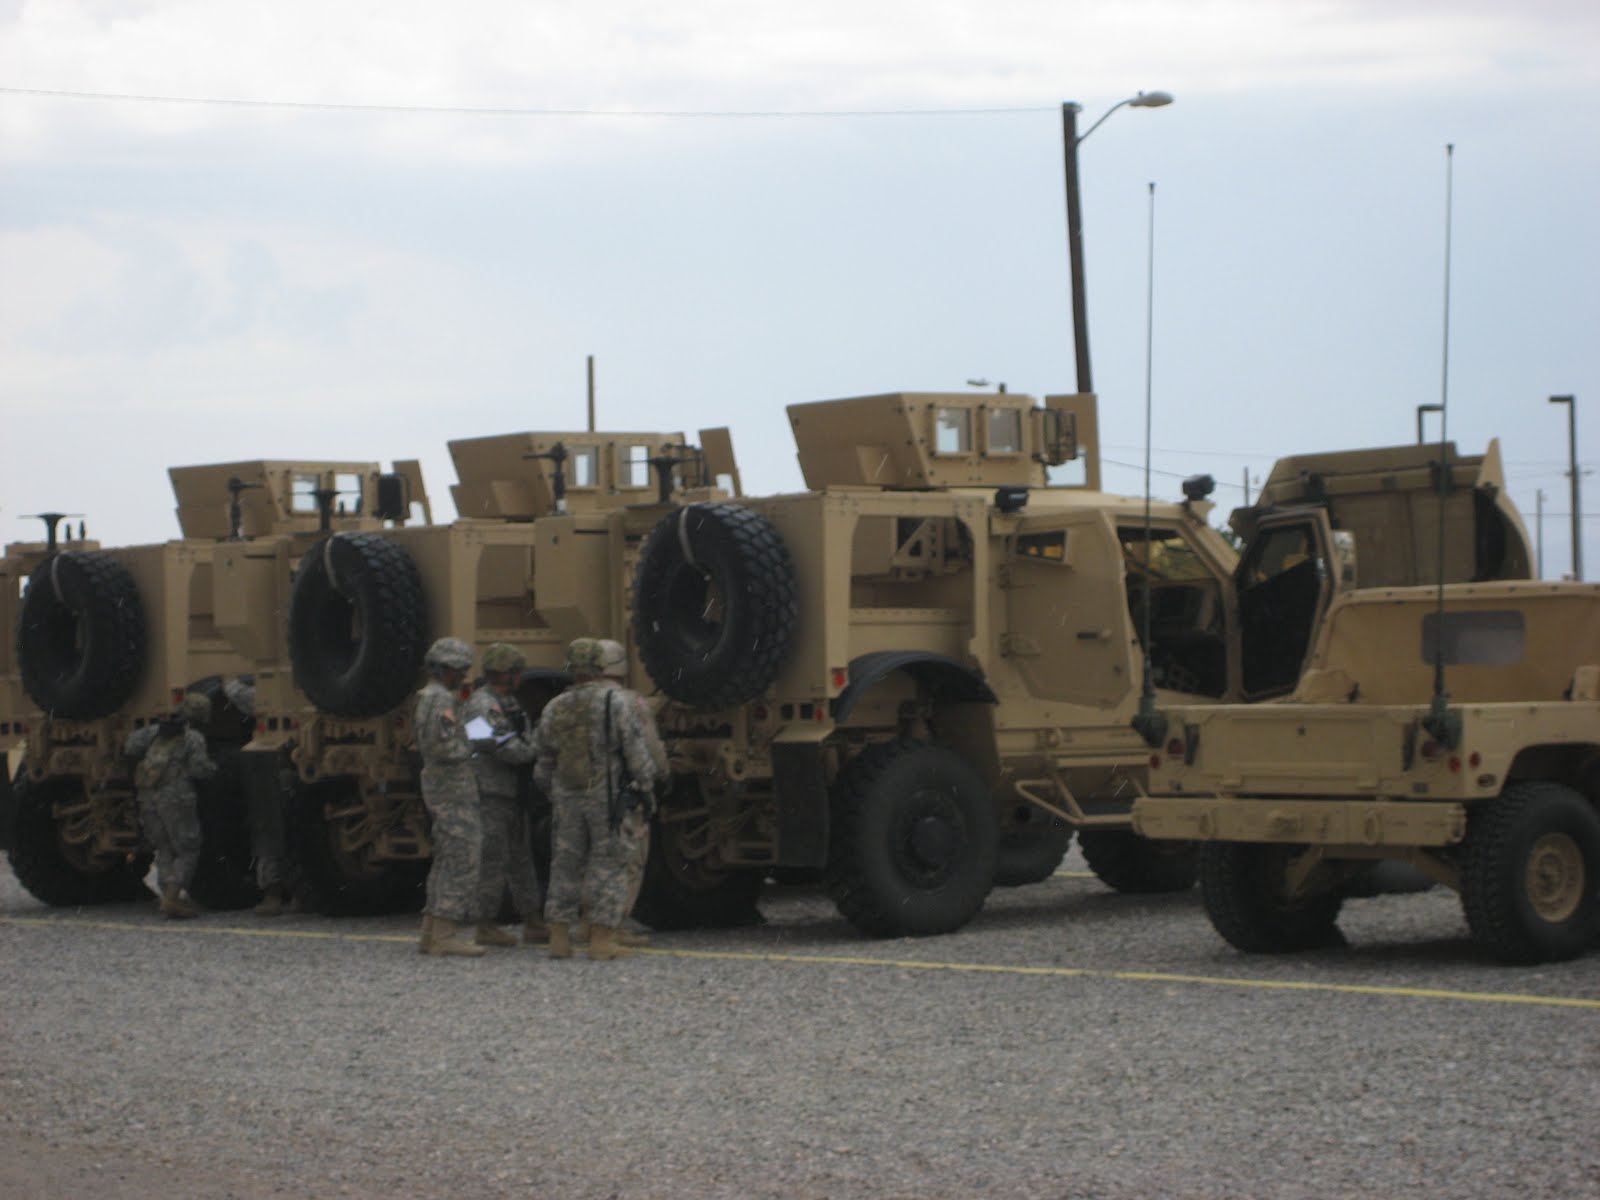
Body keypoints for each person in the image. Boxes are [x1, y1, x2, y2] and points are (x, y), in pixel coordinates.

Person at [534, 637, 666, 961]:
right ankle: (602, 941)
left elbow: (543, 762)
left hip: (567, 797)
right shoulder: (614, 702)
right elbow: (636, 753)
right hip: (606, 798)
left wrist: (555, 792)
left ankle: (560, 940)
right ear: (598, 667)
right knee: (609, 865)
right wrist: (647, 787)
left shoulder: (555, 706)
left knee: (565, 865)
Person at [463, 642, 545, 949]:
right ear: (507, 675)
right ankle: (485, 923)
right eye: (516, 673)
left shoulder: (508, 703)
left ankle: (533, 920)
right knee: (493, 859)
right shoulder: (479, 706)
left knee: (521, 858)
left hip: (511, 792)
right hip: (490, 792)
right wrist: (534, 750)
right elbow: (495, 745)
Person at [414, 637, 487, 958]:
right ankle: (445, 934)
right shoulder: (439, 699)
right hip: (451, 789)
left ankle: (432, 932)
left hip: (445, 788)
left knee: (446, 857)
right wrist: (471, 747)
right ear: (444, 669)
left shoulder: (440, 698)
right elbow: (441, 745)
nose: (463, 676)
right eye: (459, 670)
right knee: (462, 857)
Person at [124, 692, 217, 919]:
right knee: (188, 847)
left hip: (147, 797)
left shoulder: (156, 732)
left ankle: (166, 896)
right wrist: (214, 769)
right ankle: (173, 899)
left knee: (164, 848)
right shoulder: (193, 738)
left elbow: (130, 745)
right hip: (176, 798)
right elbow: (198, 769)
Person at [221, 676, 306, 917]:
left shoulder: (274, 692)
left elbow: (245, 697)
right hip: (297, 772)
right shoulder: (314, 692)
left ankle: (273, 896)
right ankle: (300, 895)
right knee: (296, 835)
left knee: (269, 833)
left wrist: (230, 684)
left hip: (273, 770)